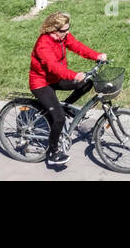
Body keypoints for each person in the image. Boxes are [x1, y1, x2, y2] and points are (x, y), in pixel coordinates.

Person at [28, 11, 105, 165]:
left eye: (68, 28)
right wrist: (74, 75)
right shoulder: (43, 45)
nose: (68, 32)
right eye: (64, 30)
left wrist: (96, 55)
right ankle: (53, 153)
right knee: (59, 119)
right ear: (53, 29)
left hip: (55, 79)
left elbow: (77, 46)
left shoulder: (63, 37)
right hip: (41, 83)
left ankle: (66, 107)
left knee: (86, 83)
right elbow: (54, 67)